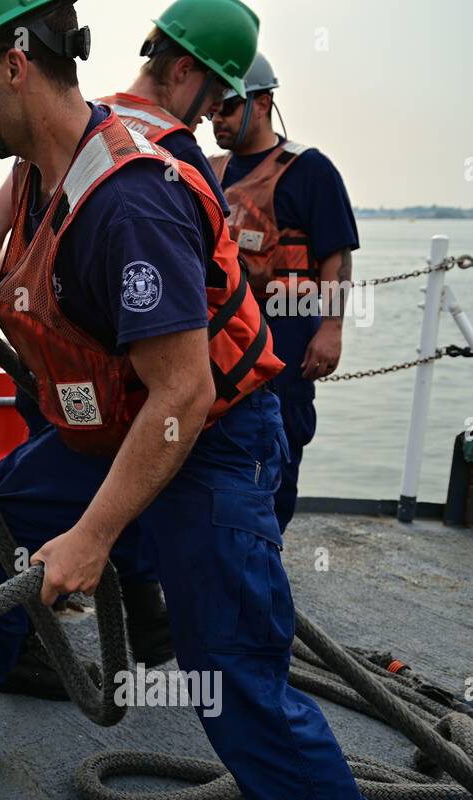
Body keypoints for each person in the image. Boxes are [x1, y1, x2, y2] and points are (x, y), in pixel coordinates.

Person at [0, 0, 390, 800]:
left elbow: (183, 390)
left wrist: (93, 538)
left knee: (233, 687)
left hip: (207, 437)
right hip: (119, 428)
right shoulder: (56, 155)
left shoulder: (135, 200)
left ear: (13, 64)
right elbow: (29, 231)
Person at [0, 0, 259, 686]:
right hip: (121, 398)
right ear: (188, 71)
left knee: (239, 668)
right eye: (215, 95)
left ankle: (145, 624)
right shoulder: (131, 151)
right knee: (11, 522)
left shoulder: (98, 136)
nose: (213, 114)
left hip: (174, 411)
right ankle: (140, 626)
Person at [209, 54, 359, 529]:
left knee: (281, 448)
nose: (218, 120)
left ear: (264, 101)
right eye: (212, 109)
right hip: (222, 341)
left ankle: (266, 557)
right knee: (217, 452)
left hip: (288, 340)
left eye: (229, 107)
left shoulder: (311, 171)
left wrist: (331, 329)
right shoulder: (207, 171)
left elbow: (337, 258)